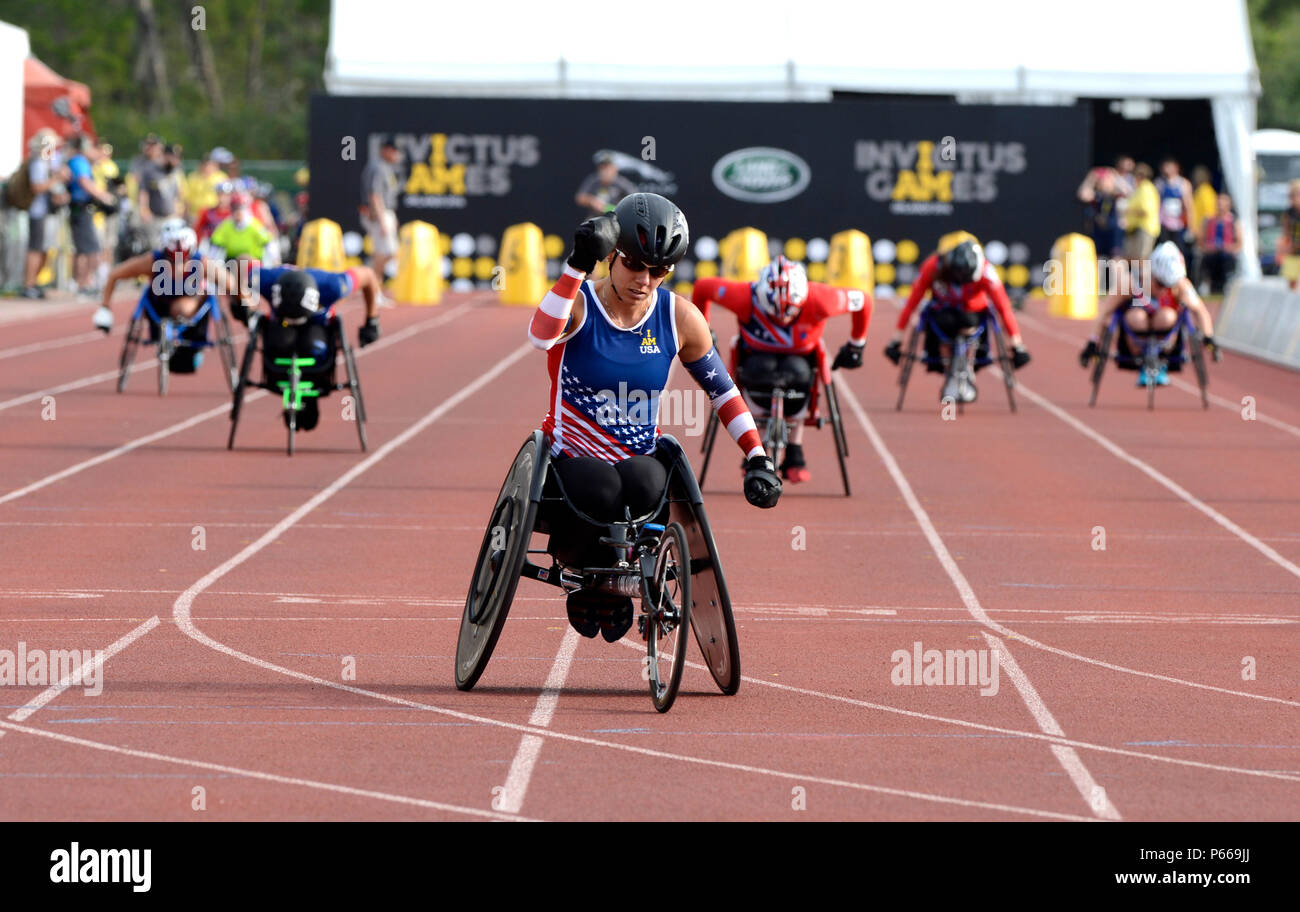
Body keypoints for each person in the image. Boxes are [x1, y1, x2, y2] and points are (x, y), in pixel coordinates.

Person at [527, 192, 780, 641]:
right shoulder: (581, 304)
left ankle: (621, 584)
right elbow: (541, 336)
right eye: (635, 265)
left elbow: (722, 391)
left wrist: (758, 457)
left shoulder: (680, 317)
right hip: (570, 460)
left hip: (636, 456)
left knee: (647, 482)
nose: (646, 279)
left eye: (659, 271)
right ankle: (588, 581)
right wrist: (574, 265)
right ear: (612, 257)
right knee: (601, 487)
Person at [691, 255, 871, 483]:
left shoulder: (822, 299)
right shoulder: (745, 296)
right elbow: (703, 288)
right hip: (755, 360)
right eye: (774, 313)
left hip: (802, 362)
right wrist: (704, 331)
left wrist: (857, 345)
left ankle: (794, 450)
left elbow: (864, 300)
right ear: (761, 299)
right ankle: (756, 449)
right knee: (753, 371)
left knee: (803, 374)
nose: (783, 318)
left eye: (790, 312)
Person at [233, 262, 384, 429]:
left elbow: (368, 275)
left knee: (315, 348)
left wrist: (372, 321)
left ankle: (309, 389)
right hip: (281, 328)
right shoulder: (268, 281)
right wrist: (242, 302)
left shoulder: (332, 286)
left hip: (317, 328)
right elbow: (241, 264)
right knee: (280, 344)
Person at [883, 233, 1030, 403]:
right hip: (942, 313)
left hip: (973, 314)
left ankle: (968, 364)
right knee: (941, 323)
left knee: (970, 322)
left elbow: (1003, 308)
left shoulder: (987, 271)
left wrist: (1017, 345)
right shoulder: (932, 267)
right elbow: (911, 304)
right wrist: (896, 340)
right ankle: (949, 371)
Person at [92, 219, 230, 374]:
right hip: (159, 307)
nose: (178, 262)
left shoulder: (201, 262)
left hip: (192, 310)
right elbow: (115, 275)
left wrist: (244, 301)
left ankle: (189, 347)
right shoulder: (151, 261)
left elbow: (230, 283)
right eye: (173, 258)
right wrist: (105, 308)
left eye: (184, 257)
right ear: (165, 250)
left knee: (188, 305)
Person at [1078, 241, 1218, 386]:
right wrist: (1093, 342)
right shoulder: (1131, 282)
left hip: (1167, 340)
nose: (1163, 290)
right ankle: (1144, 361)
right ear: (1151, 273)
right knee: (1136, 317)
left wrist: (1209, 337)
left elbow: (1200, 310)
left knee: (1167, 316)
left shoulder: (1180, 285)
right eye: (1160, 284)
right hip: (1134, 339)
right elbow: (1104, 311)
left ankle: (1159, 361)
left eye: (1167, 285)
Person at [64, 135, 119, 296]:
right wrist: (104, 196)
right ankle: (83, 284)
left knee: (87, 247)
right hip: (80, 209)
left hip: (84, 209)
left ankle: (85, 282)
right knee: (85, 248)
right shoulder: (79, 161)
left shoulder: (83, 162)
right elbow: (84, 181)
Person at [21, 129, 70, 299]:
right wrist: (55, 180)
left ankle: (34, 283)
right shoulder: (38, 163)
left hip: (43, 212)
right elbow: (37, 187)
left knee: (42, 248)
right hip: (37, 212)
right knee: (35, 248)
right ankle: (29, 284)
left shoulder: (46, 162)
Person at [359, 140, 402, 282]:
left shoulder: (386, 168)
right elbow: (375, 195)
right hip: (378, 215)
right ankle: (372, 285)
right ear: (387, 150)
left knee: (388, 252)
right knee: (384, 252)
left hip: (385, 213)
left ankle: (375, 287)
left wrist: (391, 217)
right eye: (395, 151)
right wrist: (382, 219)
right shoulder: (377, 167)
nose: (397, 155)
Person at [208, 191, 273, 262]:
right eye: (235, 208)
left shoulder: (255, 225)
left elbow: (268, 244)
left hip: (253, 262)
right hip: (232, 262)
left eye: (241, 208)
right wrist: (211, 261)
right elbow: (215, 245)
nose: (238, 212)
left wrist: (275, 260)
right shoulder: (226, 225)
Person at [1154, 157, 1196, 260]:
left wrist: (1190, 227)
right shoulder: (1159, 183)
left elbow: (1189, 206)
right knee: (1163, 250)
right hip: (1163, 223)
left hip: (1178, 223)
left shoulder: (1183, 184)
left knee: (1179, 251)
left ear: (1176, 168)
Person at [1196, 193, 1239, 294]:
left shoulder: (1234, 221)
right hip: (1211, 253)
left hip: (1227, 254)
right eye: (1218, 204)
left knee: (1226, 262)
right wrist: (1208, 247)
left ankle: (1225, 286)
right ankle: (1207, 284)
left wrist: (1228, 247)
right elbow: (1201, 240)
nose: (1220, 206)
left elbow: (1239, 243)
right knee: (1208, 260)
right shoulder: (1208, 220)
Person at [575, 152, 637, 219]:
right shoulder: (593, 180)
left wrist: (617, 207)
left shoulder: (622, 183)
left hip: (615, 218)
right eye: (602, 167)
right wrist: (592, 201)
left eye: (607, 167)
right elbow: (580, 198)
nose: (604, 171)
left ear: (614, 169)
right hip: (595, 218)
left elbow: (634, 199)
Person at [1122, 163, 1160, 260]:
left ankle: (1143, 276)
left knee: (1142, 260)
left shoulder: (1146, 189)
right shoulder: (1139, 189)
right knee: (1133, 259)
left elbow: (1145, 211)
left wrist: (1128, 211)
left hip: (1145, 229)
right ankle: (1135, 275)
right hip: (1136, 229)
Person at [1276, 179, 1300, 290]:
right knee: (1291, 281)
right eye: (1291, 196)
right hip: (1293, 249)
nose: (1293, 199)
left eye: (1296, 195)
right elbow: (1285, 232)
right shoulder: (1288, 213)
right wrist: (1283, 249)